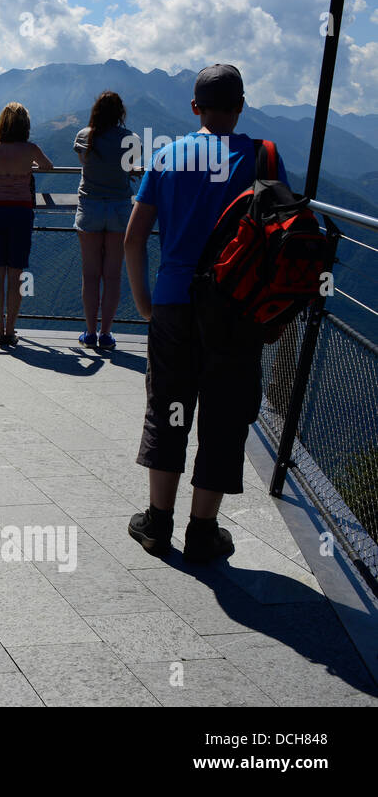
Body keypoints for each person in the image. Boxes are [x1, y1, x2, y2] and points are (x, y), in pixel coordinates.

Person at [124, 64, 288, 564]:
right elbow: (282, 235)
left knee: (169, 406)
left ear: (194, 107)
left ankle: (156, 522)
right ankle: (203, 530)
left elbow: (134, 238)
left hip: (174, 302)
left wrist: (144, 300)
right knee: (223, 414)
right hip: (236, 312)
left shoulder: (168, 156)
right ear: (241, 106)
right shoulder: (263, 159)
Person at [0, 102, 54, 346]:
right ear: (25, 126)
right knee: (17, 274)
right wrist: (28, 167)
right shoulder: (30, 149)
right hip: (21, 214)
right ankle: (11, 330)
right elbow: (48, 166)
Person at [72, 91, 138, 350]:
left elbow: (85, 163)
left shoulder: (84, 136)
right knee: (112, 275)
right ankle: (106, 333)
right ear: (120, 113)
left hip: (90, 205)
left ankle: (89, 332)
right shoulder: (131, 138)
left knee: (90, 275)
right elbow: (128, 166)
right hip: (119, 207)